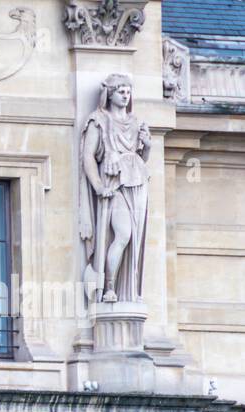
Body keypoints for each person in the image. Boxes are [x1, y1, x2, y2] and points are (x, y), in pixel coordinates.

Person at [80, 73, 151, 304]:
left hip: (138, 182)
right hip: (115, 184)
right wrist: (99, 187)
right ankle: (109, 287)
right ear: (109, 93)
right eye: (121, 91)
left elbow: (142, 156)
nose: (125, 95)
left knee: (135, 241)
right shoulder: (98, 120)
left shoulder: (136, 121)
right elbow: (88, 157)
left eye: (128, 91)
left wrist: (147, 145)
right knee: (123, 234)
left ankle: (127, 290)